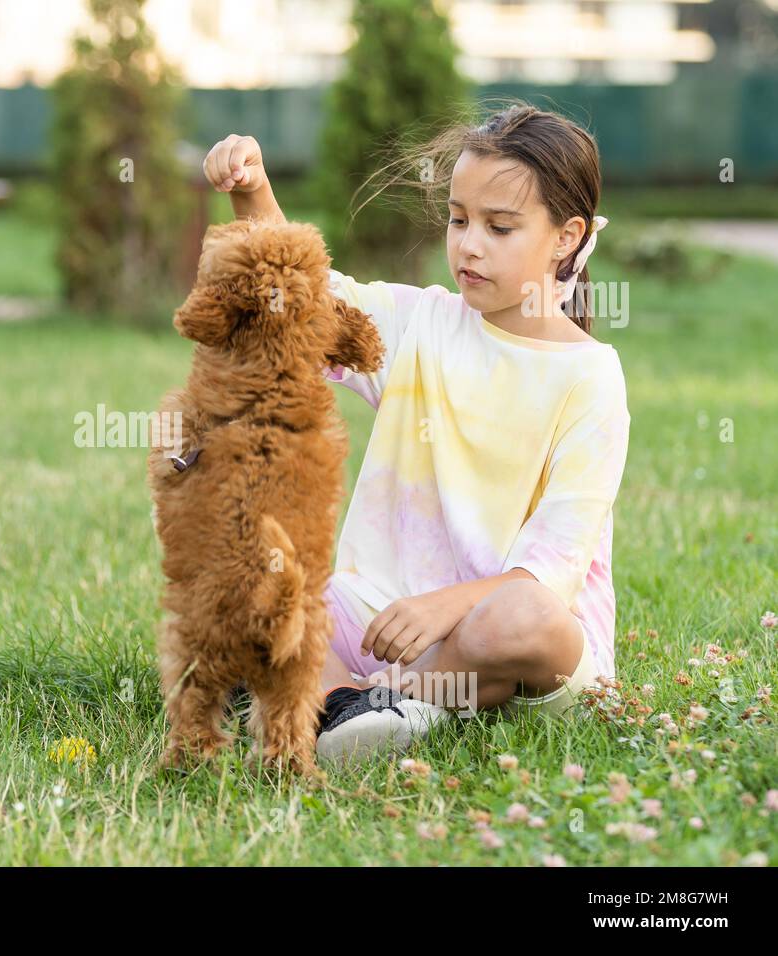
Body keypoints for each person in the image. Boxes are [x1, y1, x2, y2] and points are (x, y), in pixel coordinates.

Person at [201, 104, 632, 765]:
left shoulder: (589, 377)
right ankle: (357, 711)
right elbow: (309, 301)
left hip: (510, 640)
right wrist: (252, 191)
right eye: (459, 220)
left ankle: (371, 701)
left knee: (522, 619)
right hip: (384, 614)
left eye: (500, 226)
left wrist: (447, 608)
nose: (470, 244)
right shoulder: (419, 324)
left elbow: (552, 574)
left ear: (566, 236)